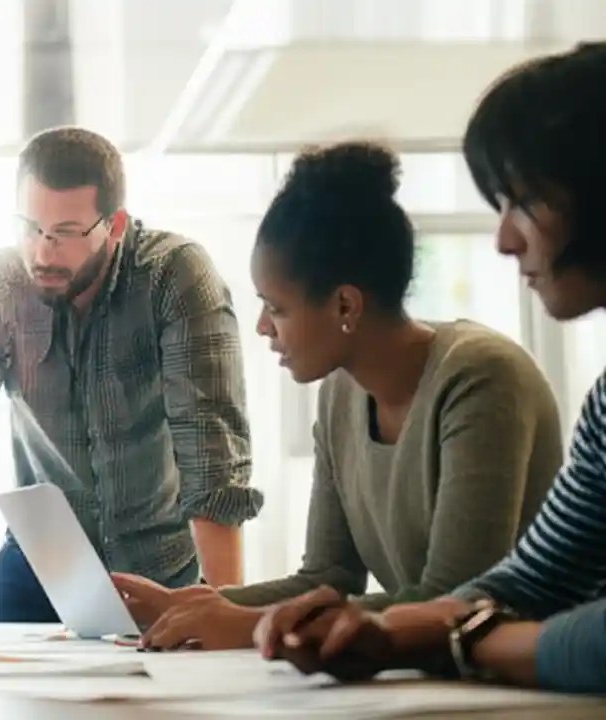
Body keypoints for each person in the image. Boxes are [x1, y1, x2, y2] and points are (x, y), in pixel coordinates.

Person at [111, 142, 563, 651]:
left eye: (276, 308)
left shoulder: (481, 379)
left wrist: (247, 624)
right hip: (437, 675)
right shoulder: (340, 395)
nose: (262, 327)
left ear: (346, 305)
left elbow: (454, 598)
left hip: (527, 673)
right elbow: (327, 577)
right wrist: (192, 605)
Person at [254, 42, 606, 695]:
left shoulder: (480, 374)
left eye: (526, 201)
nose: (504, 239)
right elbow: (535, 579)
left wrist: (452, 638)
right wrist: (387, 631)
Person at [0, 126, 261, 623]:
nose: (43, 254)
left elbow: (212, 457)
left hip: (160, 568)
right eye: (30, 228)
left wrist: (225, 616)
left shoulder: (174, 277)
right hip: (43, 561)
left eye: (65, 233)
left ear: (116, 225)